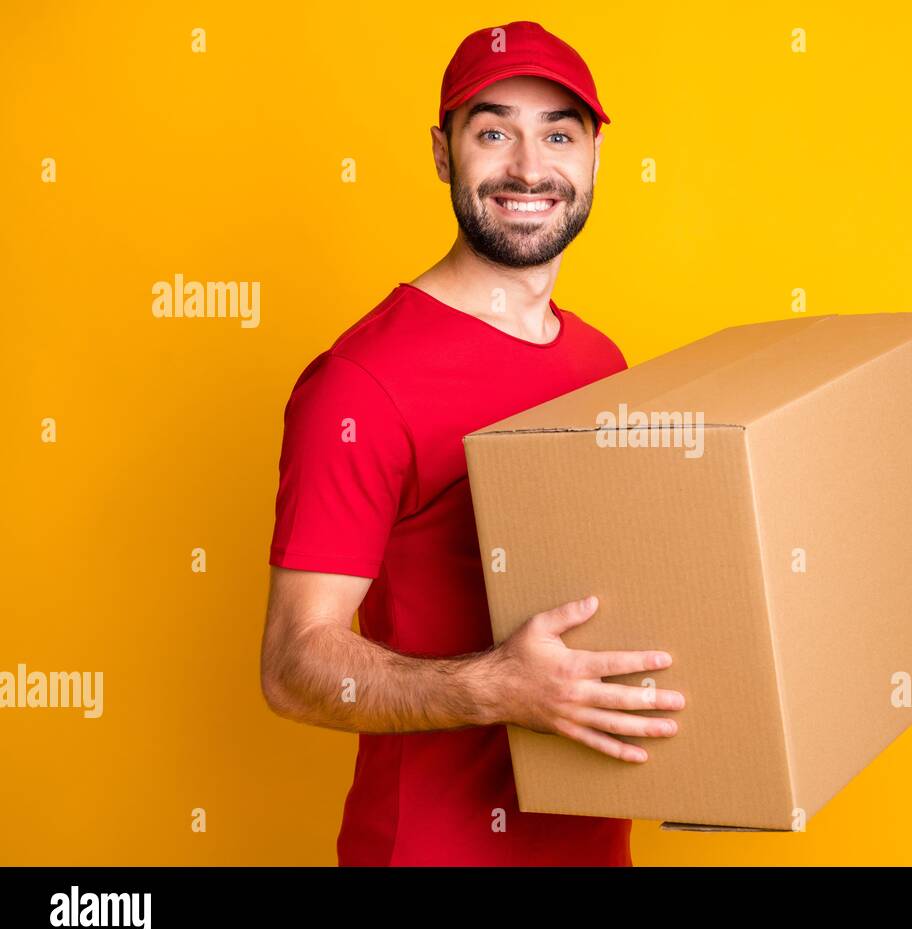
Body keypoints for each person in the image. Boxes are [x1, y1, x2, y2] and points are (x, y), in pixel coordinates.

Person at [259, 20, 686, 866]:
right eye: (493, 132)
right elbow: (293, 664)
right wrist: (497, 685)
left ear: (594, 156)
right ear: (443, 152)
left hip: (594, 841)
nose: (529, 168)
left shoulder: (601, 362)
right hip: (434, 846)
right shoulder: (359, 382)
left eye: (557, 134)